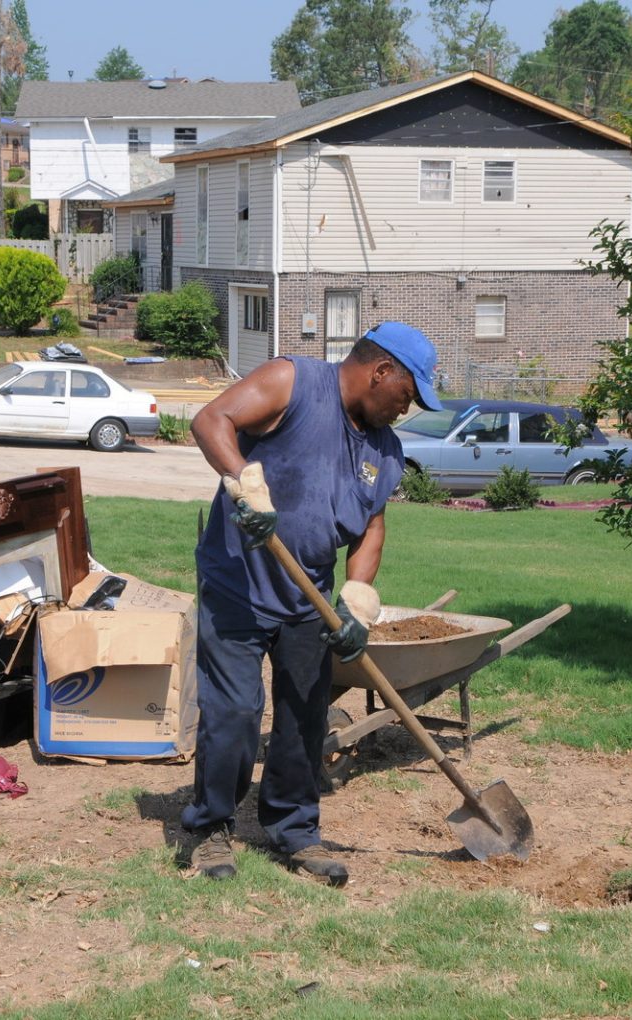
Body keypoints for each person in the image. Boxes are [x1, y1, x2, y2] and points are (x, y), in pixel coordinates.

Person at [181, 322, 444, 886]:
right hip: (237, 584)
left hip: (308, 597)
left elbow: (370, 529)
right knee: (236, 714)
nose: (407, 409)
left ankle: (294, 830)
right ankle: (210, 830)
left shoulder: (384, 449)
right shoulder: (293, 381)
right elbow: (210, 420)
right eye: (407, 394)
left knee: (304, 714)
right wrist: (244, 484)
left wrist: (357, 602)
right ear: (381, 372)